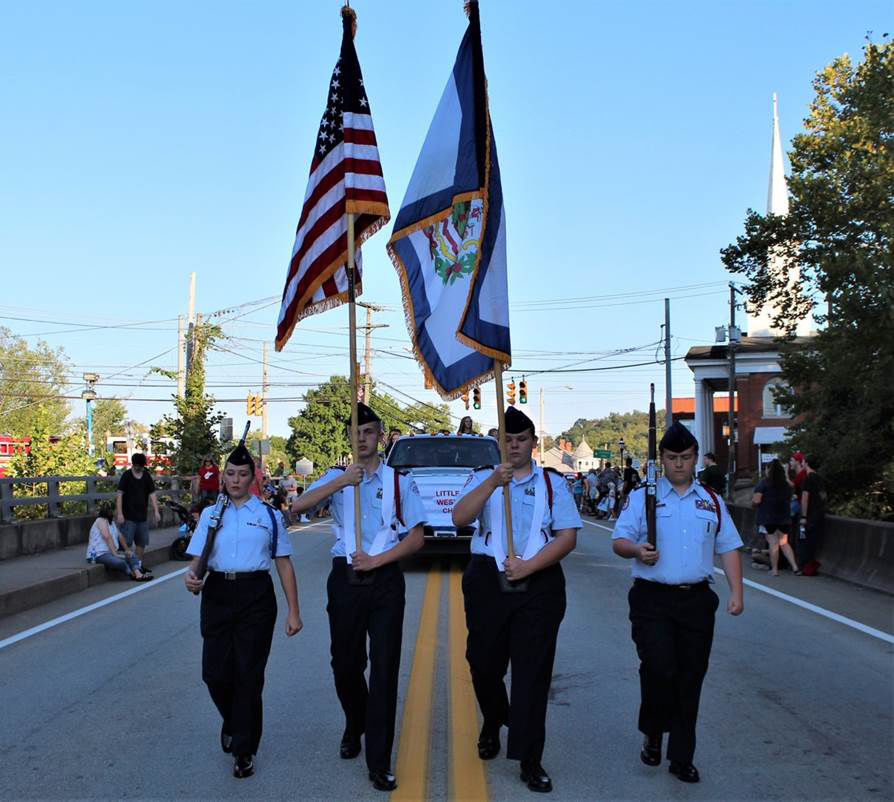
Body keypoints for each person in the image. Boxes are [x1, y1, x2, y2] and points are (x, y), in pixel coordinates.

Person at [291, 403, 426, 792]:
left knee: (384, 670)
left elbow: (417, 537)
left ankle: (379, 759)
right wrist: (339, 483)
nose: (362, 438)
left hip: (384, 579)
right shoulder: (336, 478)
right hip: (345, 580)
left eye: (369, 431)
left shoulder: (399, 482)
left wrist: (380, 559)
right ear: (349, 439)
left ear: (380, 437)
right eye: (356, 432)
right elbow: (297, 508)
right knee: (345, 665)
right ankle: (356, 720)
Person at [453, 406, 581, 793]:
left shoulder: (551, 484)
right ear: (497, 442)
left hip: (537, 582)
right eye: (507, 440)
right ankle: (494, 719)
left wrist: (530, 567)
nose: (514, 446)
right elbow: (460, 517)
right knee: (483, 663)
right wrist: (493, 482)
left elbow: (567, 536)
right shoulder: (481, 478)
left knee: (532, 673)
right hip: (487, 581)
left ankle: (529, 757)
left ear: (533, 443)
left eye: (521, 440)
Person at [611, 421, 744, 784]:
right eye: (673, 458)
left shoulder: (711, 501)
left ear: (696, 458)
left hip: (697, 601)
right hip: (652, 599)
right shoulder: (644, 497)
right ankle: (654, 731)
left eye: (686, 457)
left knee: (690, 678)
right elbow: (619, 541)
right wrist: (638, 549)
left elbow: (728, 546)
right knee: (659, 668)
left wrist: (737, 592)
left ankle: (681, 756)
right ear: (662, 459)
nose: (680, 464)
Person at [184, 440, 302, 780]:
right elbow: (198, 558)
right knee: (215, 674)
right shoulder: (210, 514)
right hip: (218, 592)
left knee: (249, 675)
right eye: (230, 474)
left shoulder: (268, 514)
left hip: (256, 595)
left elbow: (283, 563)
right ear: (223, 477)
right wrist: (192, 578)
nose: (235, 480)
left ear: (253, 478)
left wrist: (294, 610)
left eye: (242, 474)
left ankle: (244, 749)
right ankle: (234, 721)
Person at [752, 459, 799, 576]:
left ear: (768, 470)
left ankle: (775, 569)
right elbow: (792, 492)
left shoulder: (764, 483)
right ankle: (795, 567)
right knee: (784, 543)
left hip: (768, 518)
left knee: (773, 543)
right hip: (784, 517)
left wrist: (754, 503)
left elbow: (757, 500)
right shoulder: (786, 484)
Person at [115, 453, 160, 572]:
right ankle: (127, 567)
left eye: (141, 466)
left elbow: (152, 493)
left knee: (141, 542)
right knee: (126, 542)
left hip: (142, 516)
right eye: (137, 466)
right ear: (133, 464)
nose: (139, 468)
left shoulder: (146, 476)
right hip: (128, 516)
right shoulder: (127, 475)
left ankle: (138, 566)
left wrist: (156, 511)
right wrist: (120, 513)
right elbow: (119, 494)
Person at [86, 502, 152, 581]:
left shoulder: (112, 523)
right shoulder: (100, 520)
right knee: (120, 562)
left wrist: (127, 550)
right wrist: (115, 553)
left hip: (109, 553)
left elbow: (120, 537)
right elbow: (107, 536)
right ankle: (132, 574)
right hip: (98, 554)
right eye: (116, 510)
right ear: (112, 511)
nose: (117, 512)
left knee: (131, 555)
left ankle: (138, 574)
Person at [798, 454, 826, 575]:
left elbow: (805, 497)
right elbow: (824, 496)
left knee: (805, 542)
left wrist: (804, 516)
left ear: (806, 463)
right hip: (819, 513)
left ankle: (805, 567)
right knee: (814, 542)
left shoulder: (807, 478)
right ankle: (810, 566)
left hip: (809, 515)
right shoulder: (819, 478)